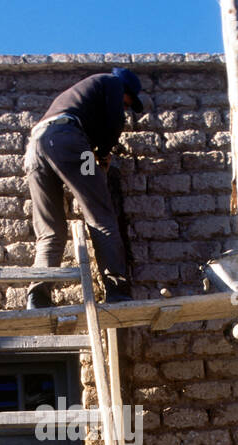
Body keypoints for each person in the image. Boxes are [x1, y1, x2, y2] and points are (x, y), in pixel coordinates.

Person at [23, 67, 145, 310]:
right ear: (126, 90)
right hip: (67, 141)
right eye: (127, 104)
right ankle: (117, 290)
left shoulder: (78, 99)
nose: (126, 109)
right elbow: (114, 122)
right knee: (101, 216)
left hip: (34, 150)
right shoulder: (112, 83)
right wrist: (102, 154)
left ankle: (38, 296)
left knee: (50, 231)